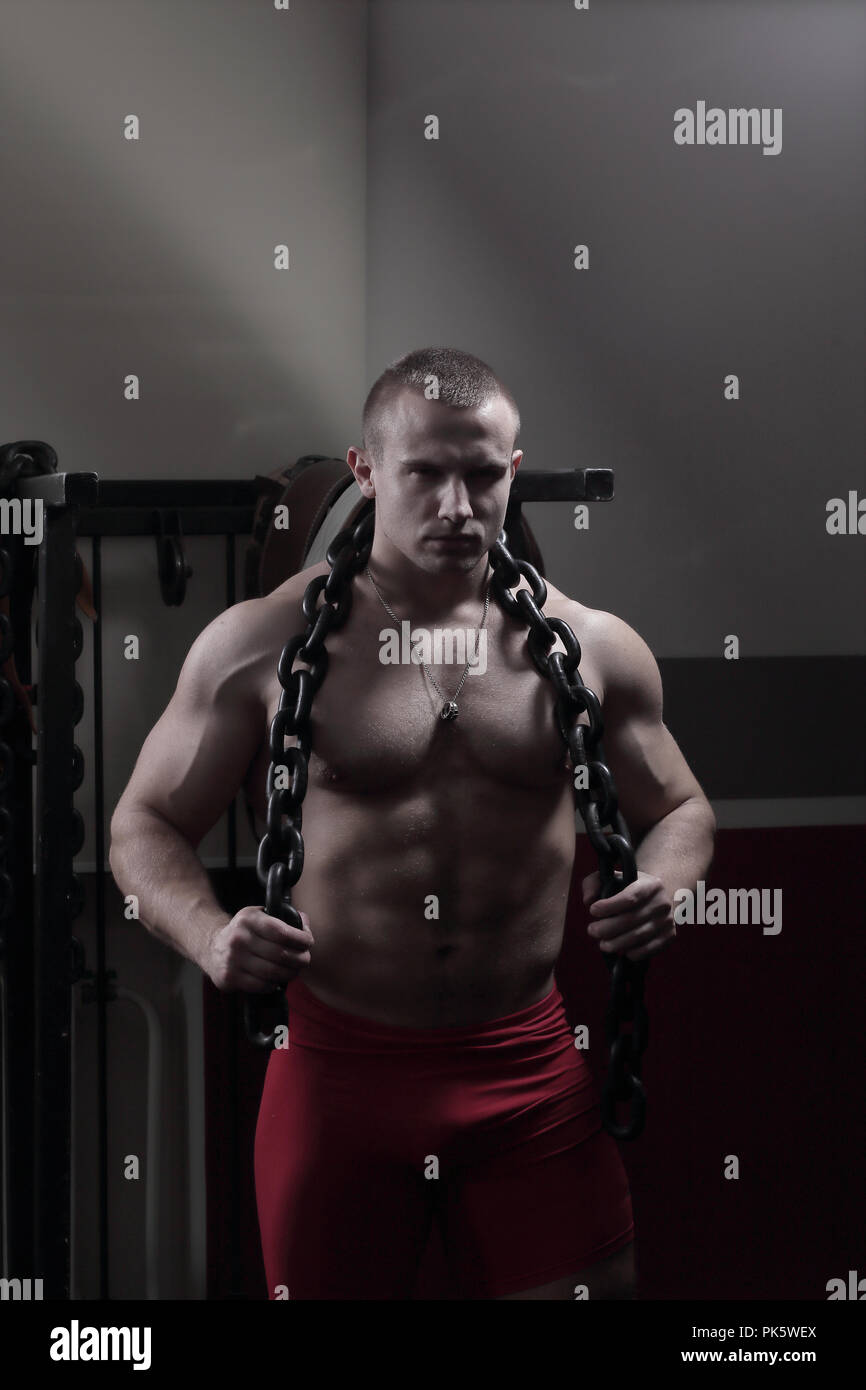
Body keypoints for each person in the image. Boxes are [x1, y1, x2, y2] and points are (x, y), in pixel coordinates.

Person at [109, 346, 715, 1301]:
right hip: (338, 1075)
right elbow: (142, 823)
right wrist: (207, 934)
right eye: (425, 473)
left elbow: (681, 808)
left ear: (512, 471)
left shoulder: (592, 648)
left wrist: (665, 886)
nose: (457, 506)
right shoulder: (262, 645)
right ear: (366, 470)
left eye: (482, 475)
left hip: (527, 1072)